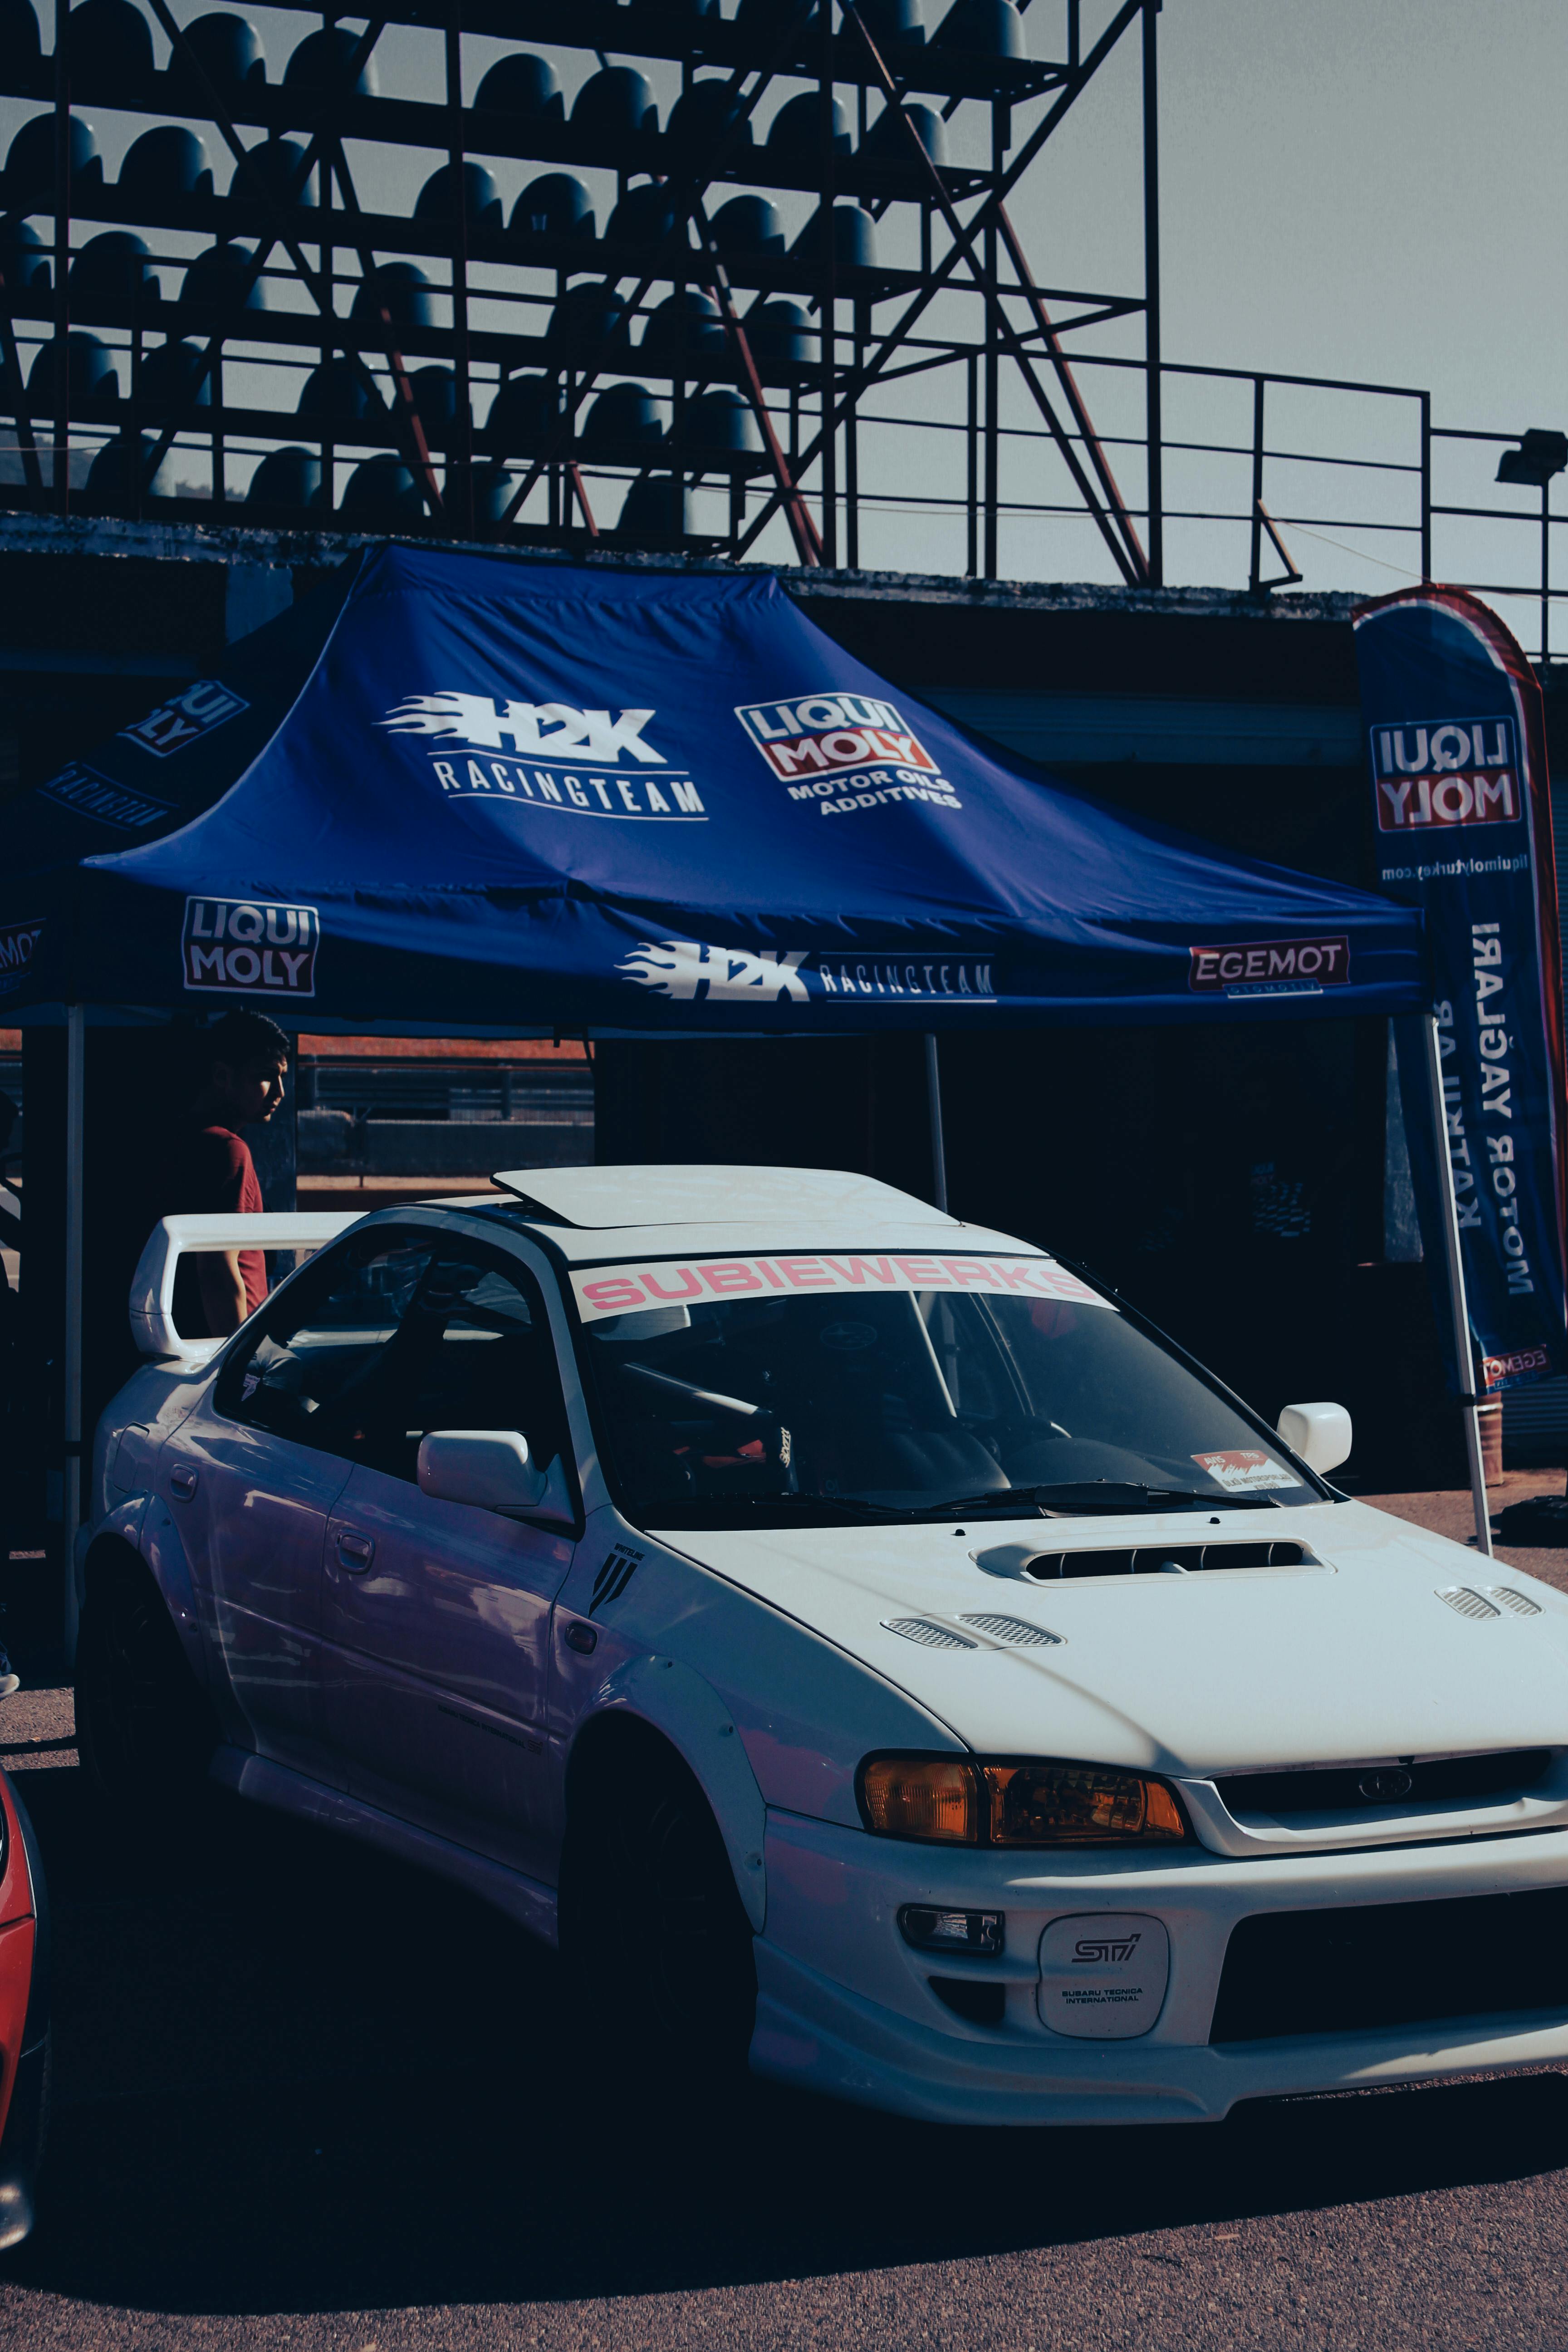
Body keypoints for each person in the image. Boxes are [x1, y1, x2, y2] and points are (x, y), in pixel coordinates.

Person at [164, 1012, 289, 1338]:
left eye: (282, 1077)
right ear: (222, 1076)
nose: (280, 1092)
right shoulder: (228, 1150)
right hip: (222, 1347)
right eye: (265, 1076)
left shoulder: (179, 1138)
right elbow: (217, 1269)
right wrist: (237, 1364)